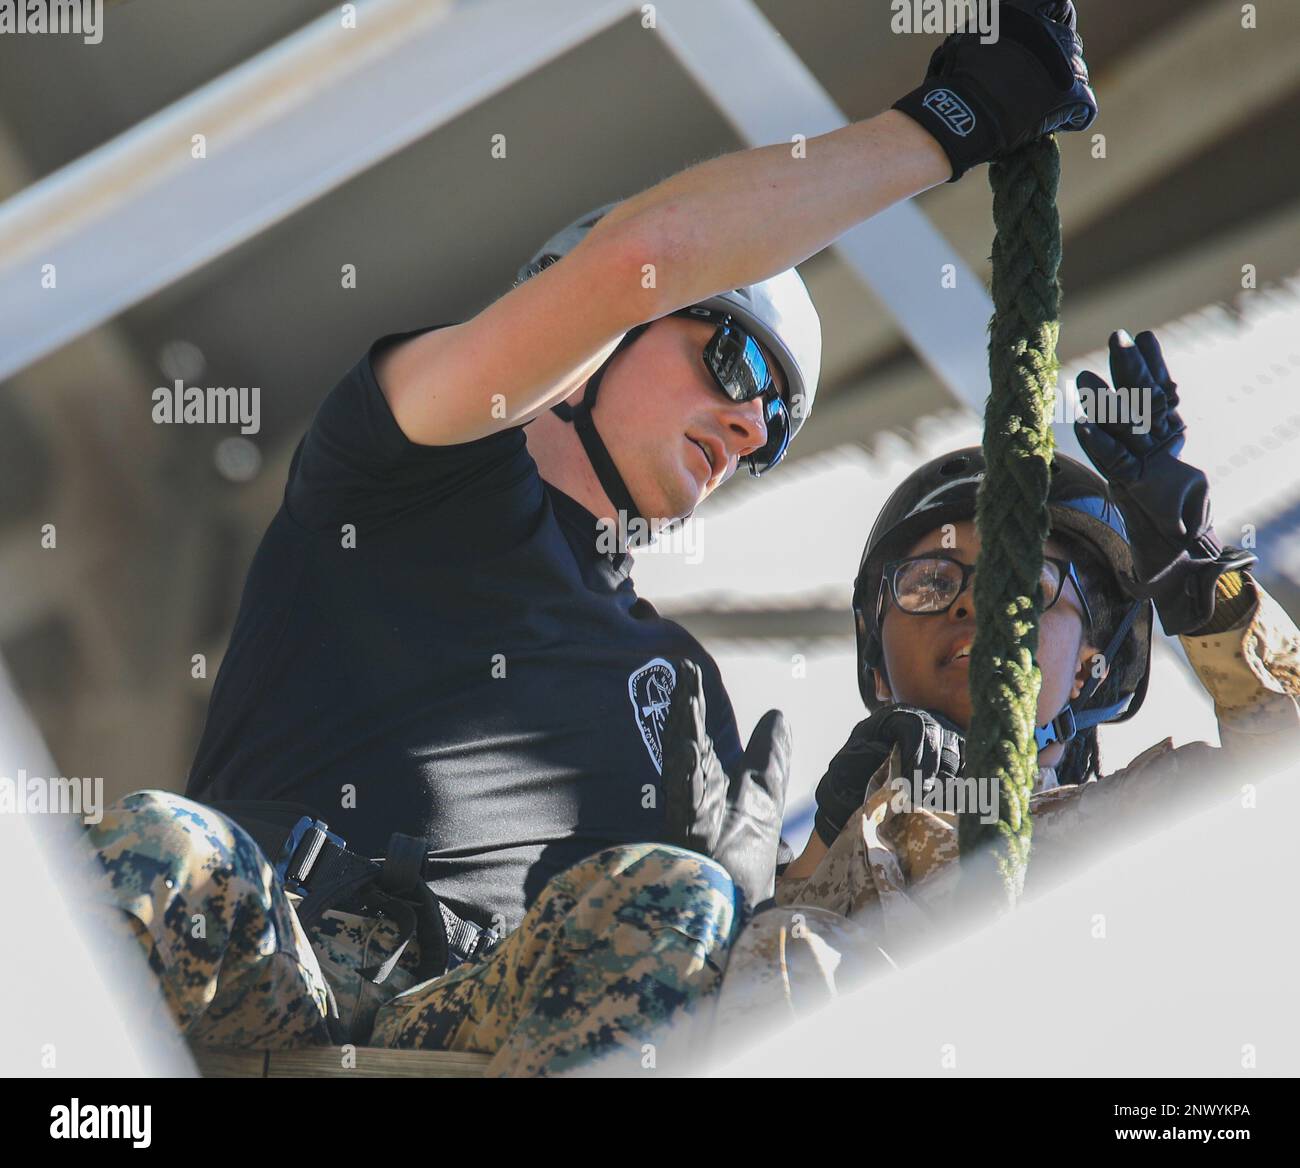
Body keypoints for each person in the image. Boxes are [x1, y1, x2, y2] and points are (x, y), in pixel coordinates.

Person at [85, 3, 1102, 1075]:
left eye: (775, 429)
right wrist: (947, 125)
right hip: (262, 957)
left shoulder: (683, 693)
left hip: (473, 1030)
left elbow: (737, 989)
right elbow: (646, 256)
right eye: (737, 365)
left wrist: (815, 864)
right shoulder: (401, 472)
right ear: (596, 340)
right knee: (165, 848)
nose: (752, 425)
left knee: (685, 900)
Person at [703, 330, 1300, 1039]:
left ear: (1091, 662)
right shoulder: (778, 910)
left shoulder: (1157, 821)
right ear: (876, 665)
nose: (969, 604)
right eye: (929, 583)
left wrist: (1203, 587)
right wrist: (818, 857)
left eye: (1024, 583)